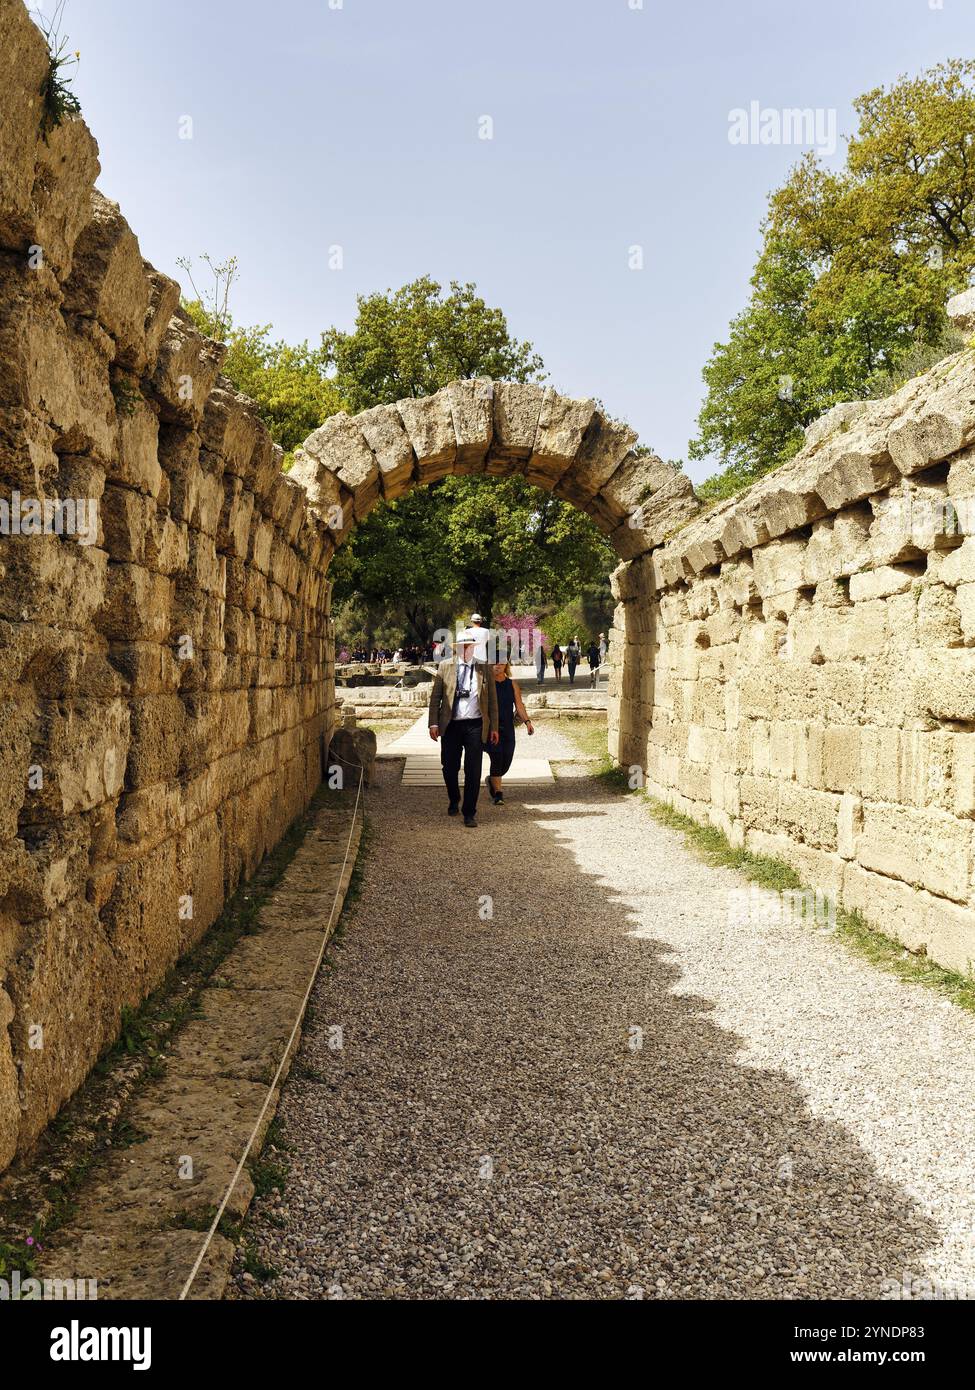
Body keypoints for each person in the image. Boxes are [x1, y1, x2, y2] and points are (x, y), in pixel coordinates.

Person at [428, 630, 499, 827]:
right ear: (457, 649)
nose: (465, 650)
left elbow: (492, 700)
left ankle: (469, 812)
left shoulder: (484, 668)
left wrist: (494, 727)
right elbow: (436, 698)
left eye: (469, 646)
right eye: (462, 647)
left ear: (473, 648)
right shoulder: (445, 666)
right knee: (449, 767)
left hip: (475, 724)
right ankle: (453, 798)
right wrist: (433, 723)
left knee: (473, 769)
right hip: (451, 724)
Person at [484, 660, 534, 804]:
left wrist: (527, 722)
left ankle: (492, 780)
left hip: (508, 728)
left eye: (500, 663)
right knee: (497, 758)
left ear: (506, 665)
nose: (497, 666)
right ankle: (498, 793)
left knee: (506, 761)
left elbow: (519, 706)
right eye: (494, 663)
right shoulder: (486, 685)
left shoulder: (512, 685)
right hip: (492, 728)